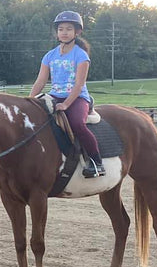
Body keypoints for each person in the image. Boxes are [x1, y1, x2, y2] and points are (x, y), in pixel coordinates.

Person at [29, 10, 104, 178]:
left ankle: (96, 161)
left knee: (77, 123)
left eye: (69, 29)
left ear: (77, 32)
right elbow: (40, 81)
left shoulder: (81, 55)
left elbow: (79, 84)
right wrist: (29, 99)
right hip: (55, 95)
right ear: (57, 32)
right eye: (61, 29)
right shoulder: (49, 56)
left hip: (77, 97)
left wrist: (66, 104)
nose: (64, 32)